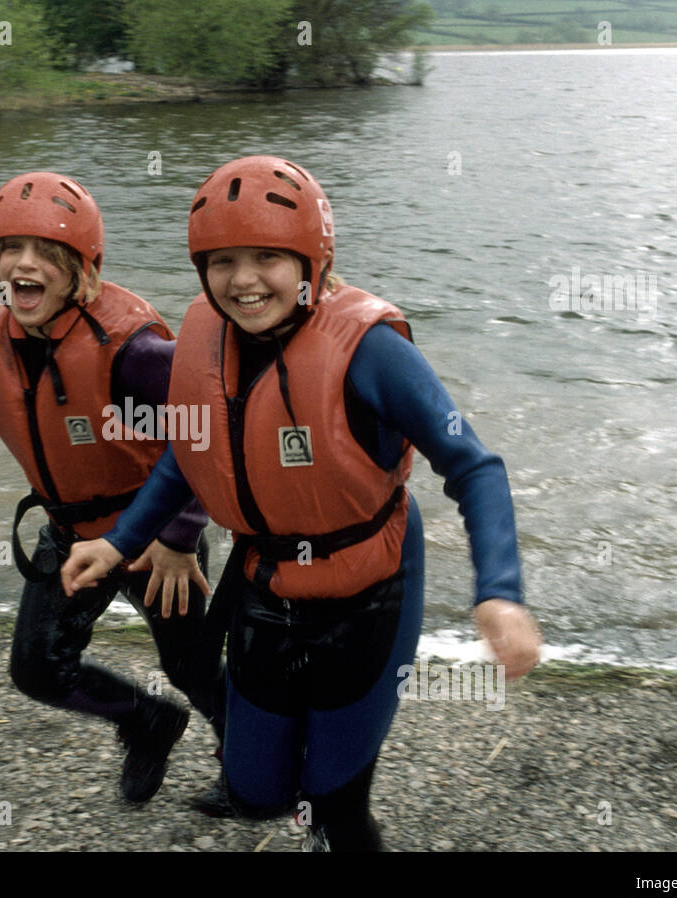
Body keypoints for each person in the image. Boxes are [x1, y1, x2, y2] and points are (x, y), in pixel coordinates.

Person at [62, 155, 542, 849]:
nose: (244, 279)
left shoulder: (371, 350)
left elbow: (475, 465)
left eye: (266, 257)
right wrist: (122, 540)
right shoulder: (203, 339)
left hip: (369, 592)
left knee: (336, 800)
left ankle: (334, 820)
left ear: (312, 260)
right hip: (267, 585)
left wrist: (499, 592)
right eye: (222, 260)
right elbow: (191, 452)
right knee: (256, 792)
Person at [0, 171, 226, 803]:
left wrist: (180, 536)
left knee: (192, 667)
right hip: (71, 533)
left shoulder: (132, 350)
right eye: (9, 250)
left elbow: (202, 432)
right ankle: (148, 721)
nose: (23, 266)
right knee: (37, 671)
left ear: (82, 267)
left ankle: (254, 764)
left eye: (47, 253)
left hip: (154, 535)